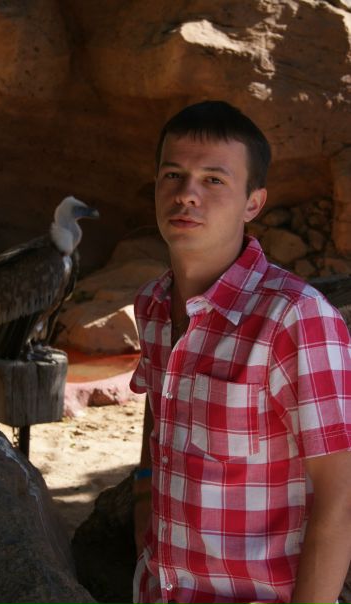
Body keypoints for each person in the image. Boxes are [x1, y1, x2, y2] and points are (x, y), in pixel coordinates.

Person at [129, 100, 351, 604]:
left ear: (253, 203)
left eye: (213, 180)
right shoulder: (152, 304)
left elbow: (341, 496)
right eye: (173, 175)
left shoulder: (294, 318)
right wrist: (143, 491)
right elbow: (160, 401)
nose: (187, 194)